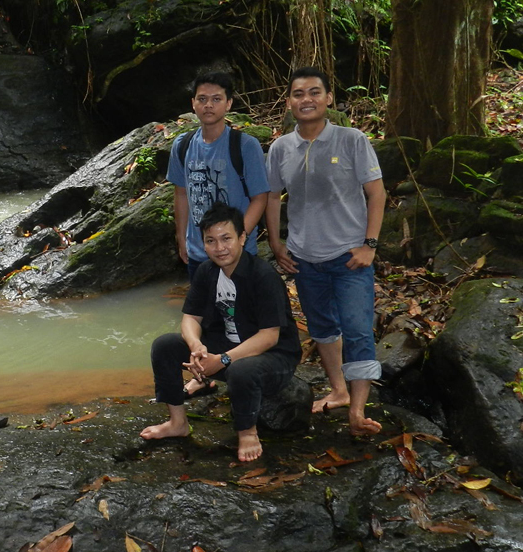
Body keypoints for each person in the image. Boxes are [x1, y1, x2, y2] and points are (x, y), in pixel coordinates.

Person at [264, 67, 386, 436]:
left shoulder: (351, 139)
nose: (307, 100)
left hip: (349, 257)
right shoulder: (282, 147)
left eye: (314, 92)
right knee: (321, 327)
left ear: (329, 98)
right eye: (299, 94)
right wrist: (275, 242)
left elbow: (377, 194)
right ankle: (338, 391)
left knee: (358, 328)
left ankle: (359, 410)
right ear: (289, 103)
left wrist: (370, 245)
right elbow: (272, 195)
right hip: (304, 257)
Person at [141, 203, 301, 462]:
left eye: (226, 239)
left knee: (241, 368)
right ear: (203, 244)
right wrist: (196, 346)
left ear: (242, 238)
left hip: (274, 356)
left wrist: (223, 359)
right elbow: (191, 317)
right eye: (211, 241)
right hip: (225, 345)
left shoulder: (262, 275)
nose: (219, 248)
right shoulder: (207, 272)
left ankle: (247, 433)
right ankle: (177, 422)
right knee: (165, 345)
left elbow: (270, 336)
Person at [167, 71, 270, 279]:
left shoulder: (245, 146)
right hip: (199, 253)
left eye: (216, 99)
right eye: (202, 99)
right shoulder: (182, 145)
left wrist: (240, 238)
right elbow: (181, 194)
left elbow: (260, 198)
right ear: (193, 103)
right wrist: (182, 239)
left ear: (229, 104)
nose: (208, 105)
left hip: (237, 255)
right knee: (203, 311)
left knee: (239, 311)